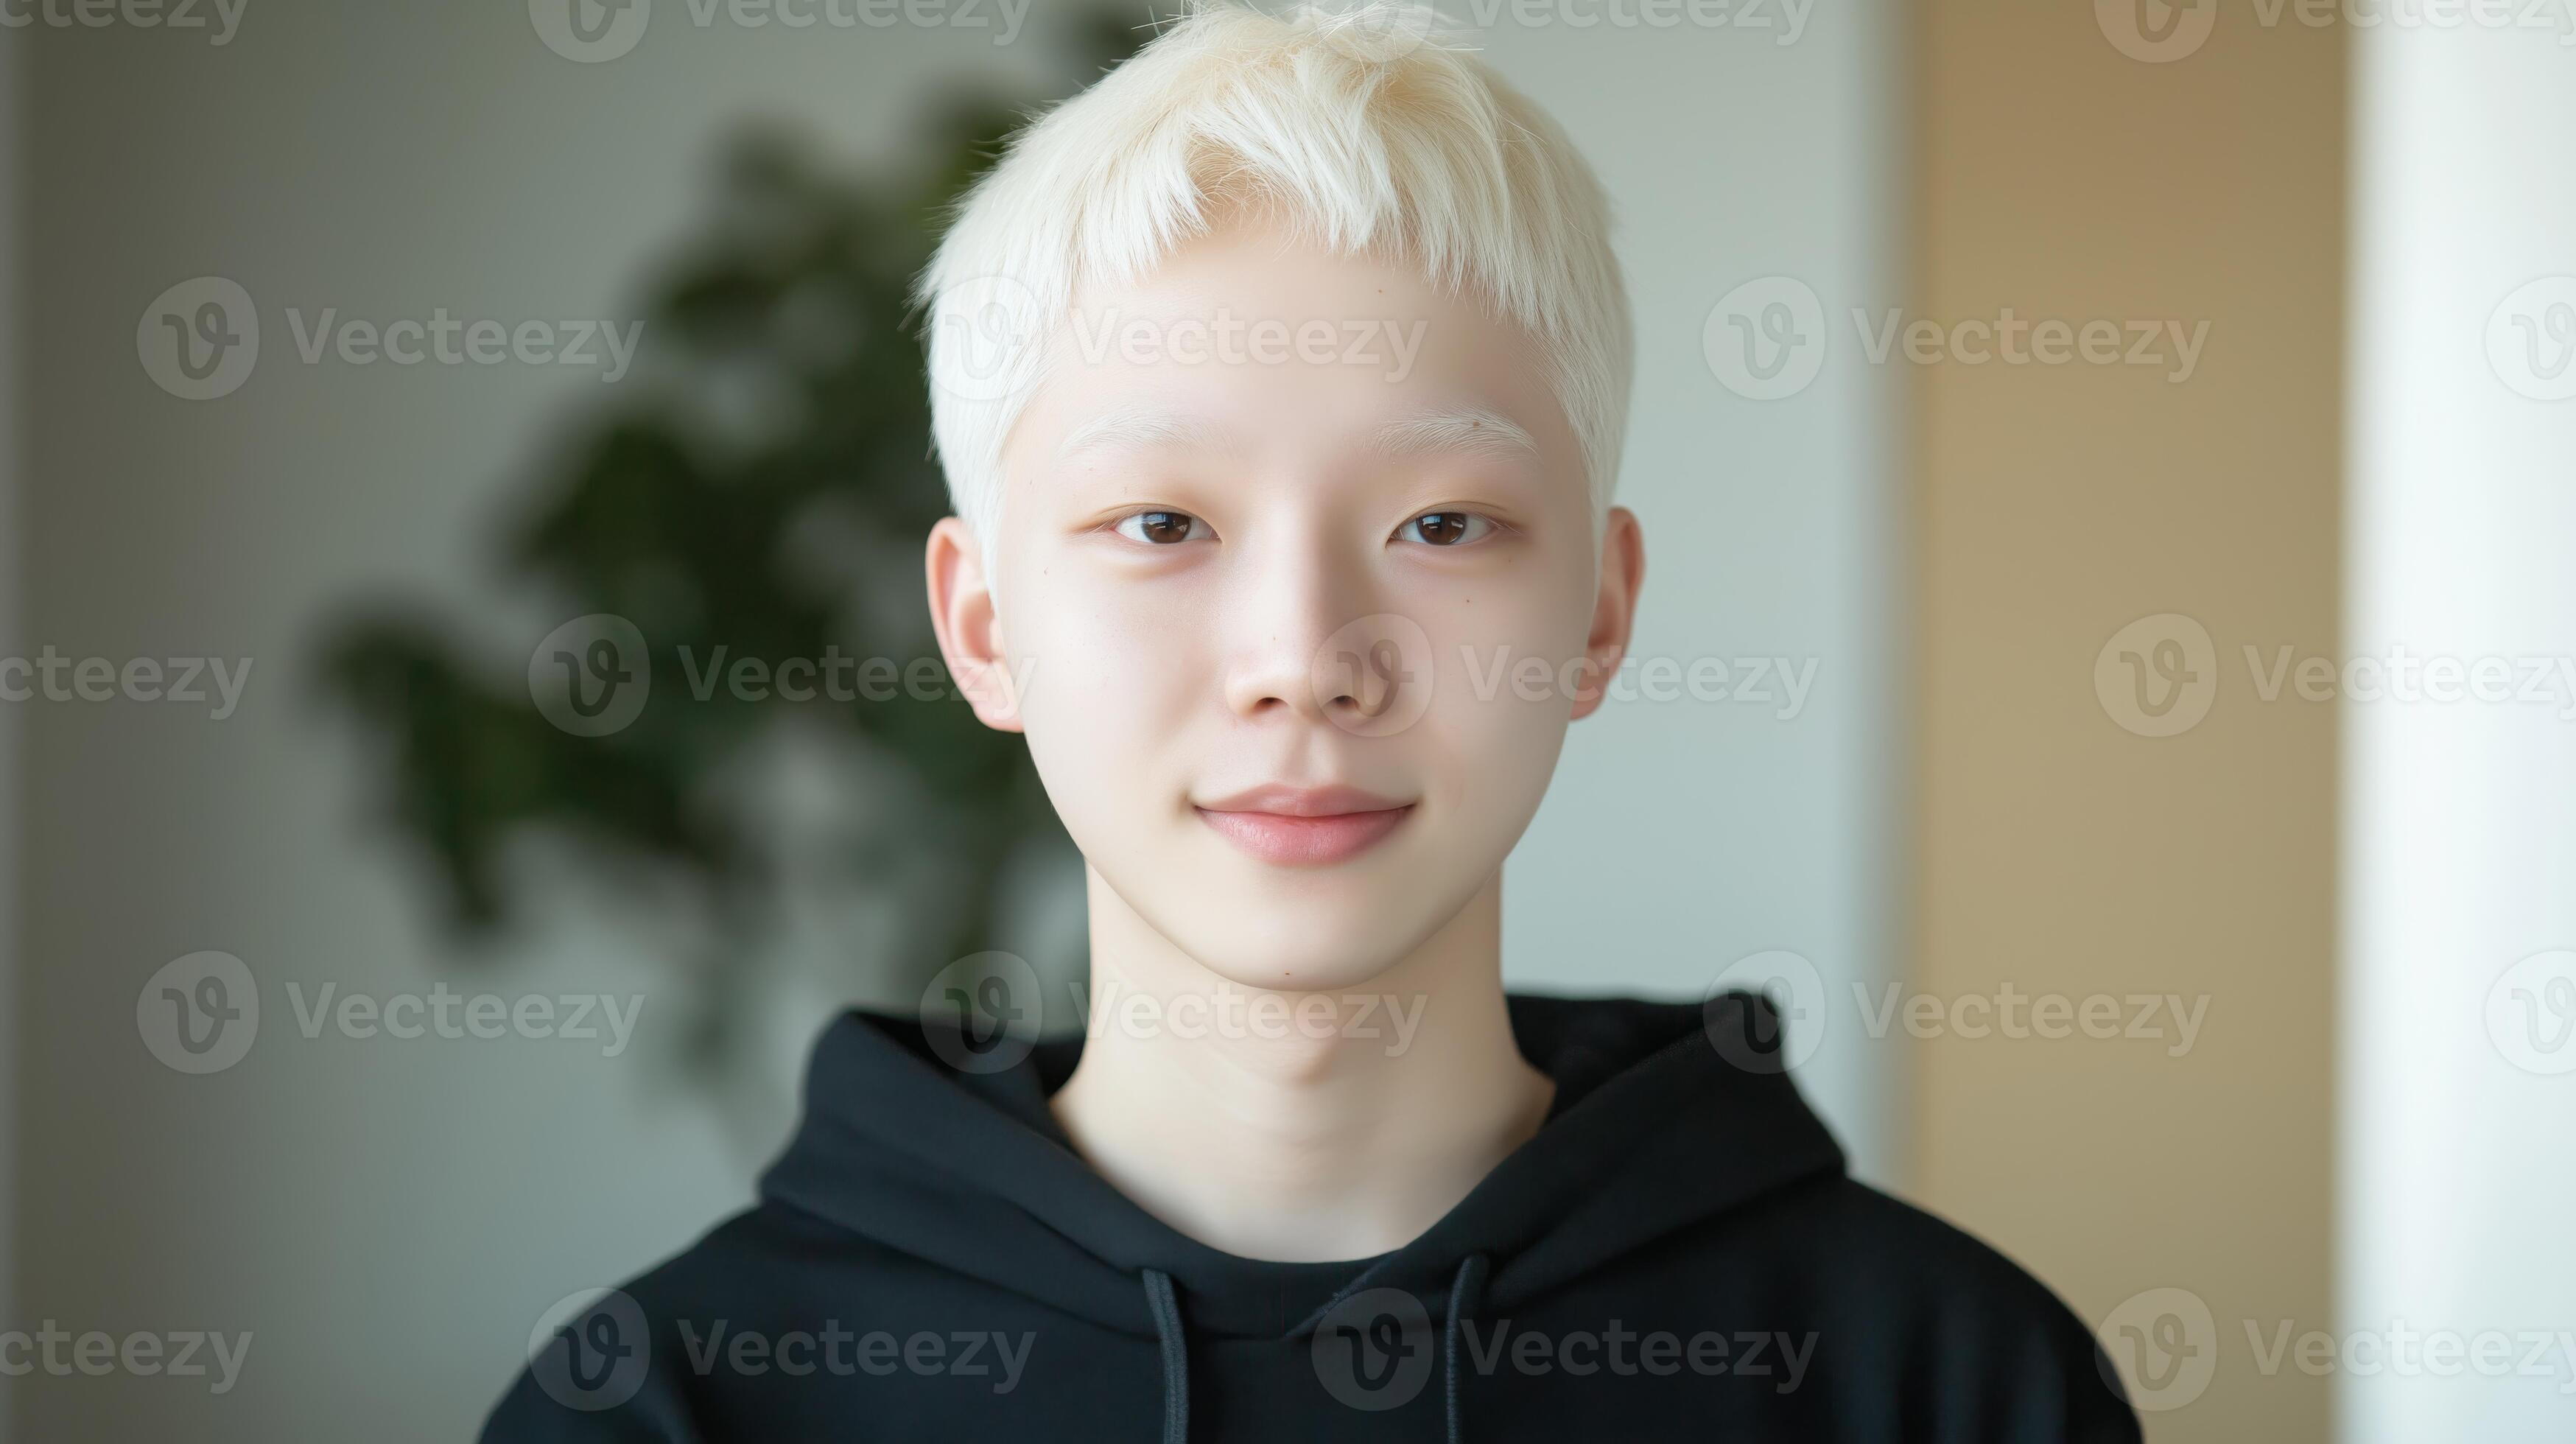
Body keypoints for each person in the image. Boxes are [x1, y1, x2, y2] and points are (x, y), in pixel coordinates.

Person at [484, 3, 2140, 1438]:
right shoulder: (668, 1405)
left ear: (1601, 613)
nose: (1303, 660)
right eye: (1162, 525)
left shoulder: (1949, 1384)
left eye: (1440, 524)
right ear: (984, 627)